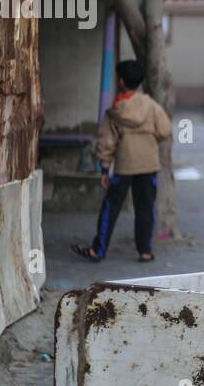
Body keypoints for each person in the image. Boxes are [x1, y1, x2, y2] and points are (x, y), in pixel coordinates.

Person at [73, 59, 172, 263]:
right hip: (148, 163)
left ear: (121, 81)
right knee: (145, 207)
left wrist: (104, 168)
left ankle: (98, 250)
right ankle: (145, 251)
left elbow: (106, 142)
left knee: (111, 206)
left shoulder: (115, 110)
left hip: (125, 165)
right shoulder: (151, 106)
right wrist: (149, 139)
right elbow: (165, 130)